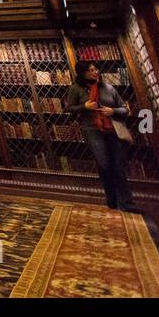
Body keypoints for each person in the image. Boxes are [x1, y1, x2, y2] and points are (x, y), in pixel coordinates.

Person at [67, 63, 139, 213]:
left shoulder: (108, 88)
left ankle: (126, 202)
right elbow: (70, 109)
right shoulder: (76, 89)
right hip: (93, 130)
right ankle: (111, 198)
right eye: (91, 70)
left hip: (114, 130)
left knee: (119, 166)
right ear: (83, 74)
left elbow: (124, 109)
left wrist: (112, 111)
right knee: (104, 165)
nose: (95, 72)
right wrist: (84, 107)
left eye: (95, 69)